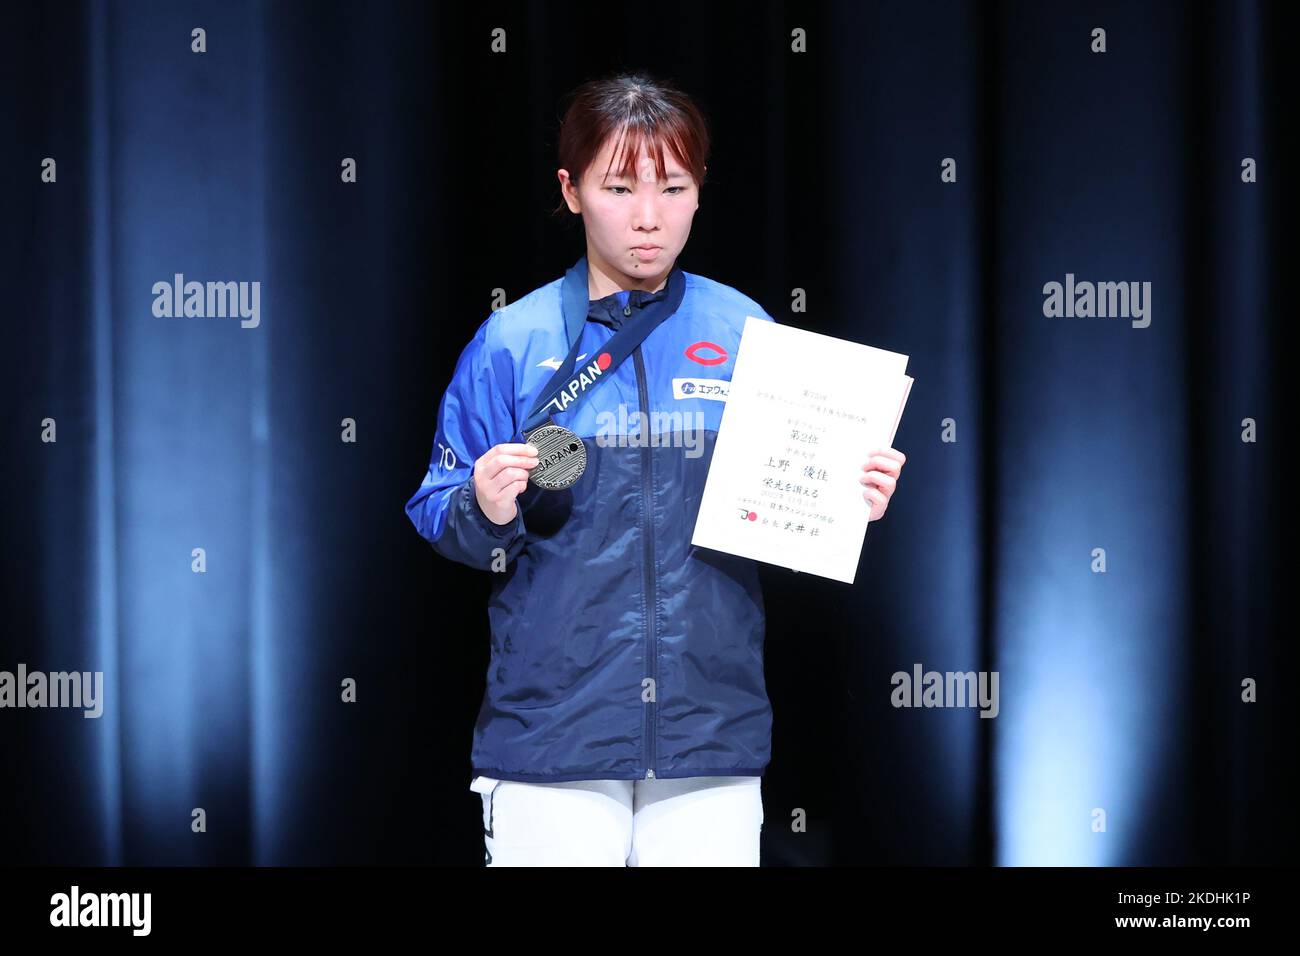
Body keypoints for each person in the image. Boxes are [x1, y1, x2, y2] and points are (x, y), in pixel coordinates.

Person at [406, 71, 906, 866]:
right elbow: (438, 513)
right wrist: (483, 504)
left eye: (672, 187)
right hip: (551, 743)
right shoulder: (513, 339)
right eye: (619, 187)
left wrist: (848, 500)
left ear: (699, 190)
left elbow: (784, 520)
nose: (648, 217)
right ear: (570, 192)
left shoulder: (744, 330)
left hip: (709, 738)